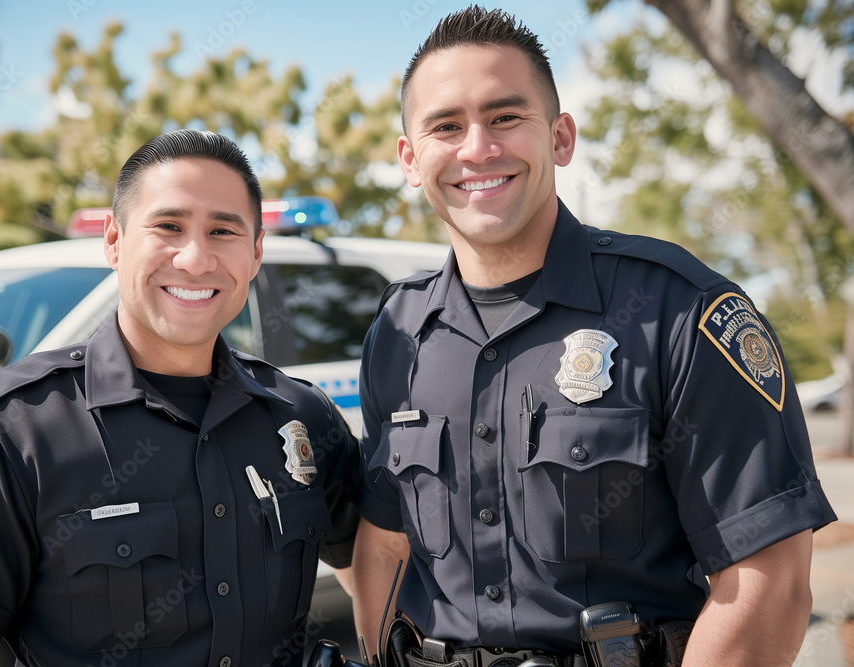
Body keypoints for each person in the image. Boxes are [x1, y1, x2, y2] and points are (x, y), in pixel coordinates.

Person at [350, 6, 837, 666]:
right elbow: (384, 543)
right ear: (411, 158)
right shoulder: (397, 333)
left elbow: (769, 576)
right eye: (446, 126)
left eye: (505, 117)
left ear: (560, 137)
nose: (477, 148)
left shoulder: (679, 309)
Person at [0, 129, 361, 667]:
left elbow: (374, 555)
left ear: (254, 254)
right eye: (169, 226)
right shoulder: (10, 433)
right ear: (114, 241)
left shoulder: (299, 415)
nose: (195, 258)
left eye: (223, 231)